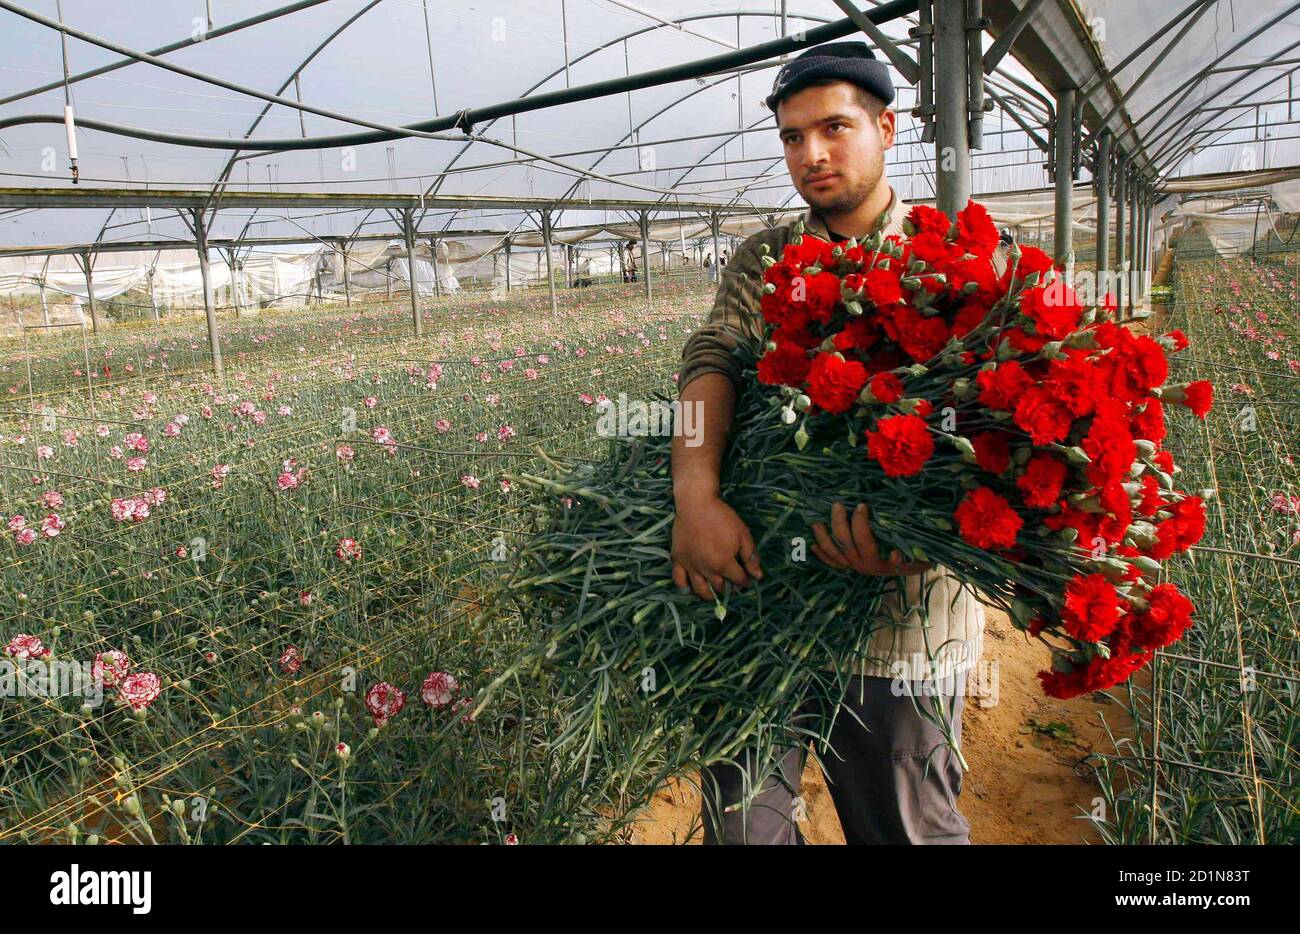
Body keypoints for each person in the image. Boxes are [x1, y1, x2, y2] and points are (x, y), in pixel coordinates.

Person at [672, 41, 1009, 845]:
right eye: (792, 137)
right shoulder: (767, 259)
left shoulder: (959, 258)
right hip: (760, 596)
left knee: (904, 827)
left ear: (888, 128)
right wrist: (695, 493)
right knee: (743, 828)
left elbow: (1006, 449)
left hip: (905, 620)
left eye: (833, 128)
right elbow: (709, 361)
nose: (811, 154)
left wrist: (924, 540)